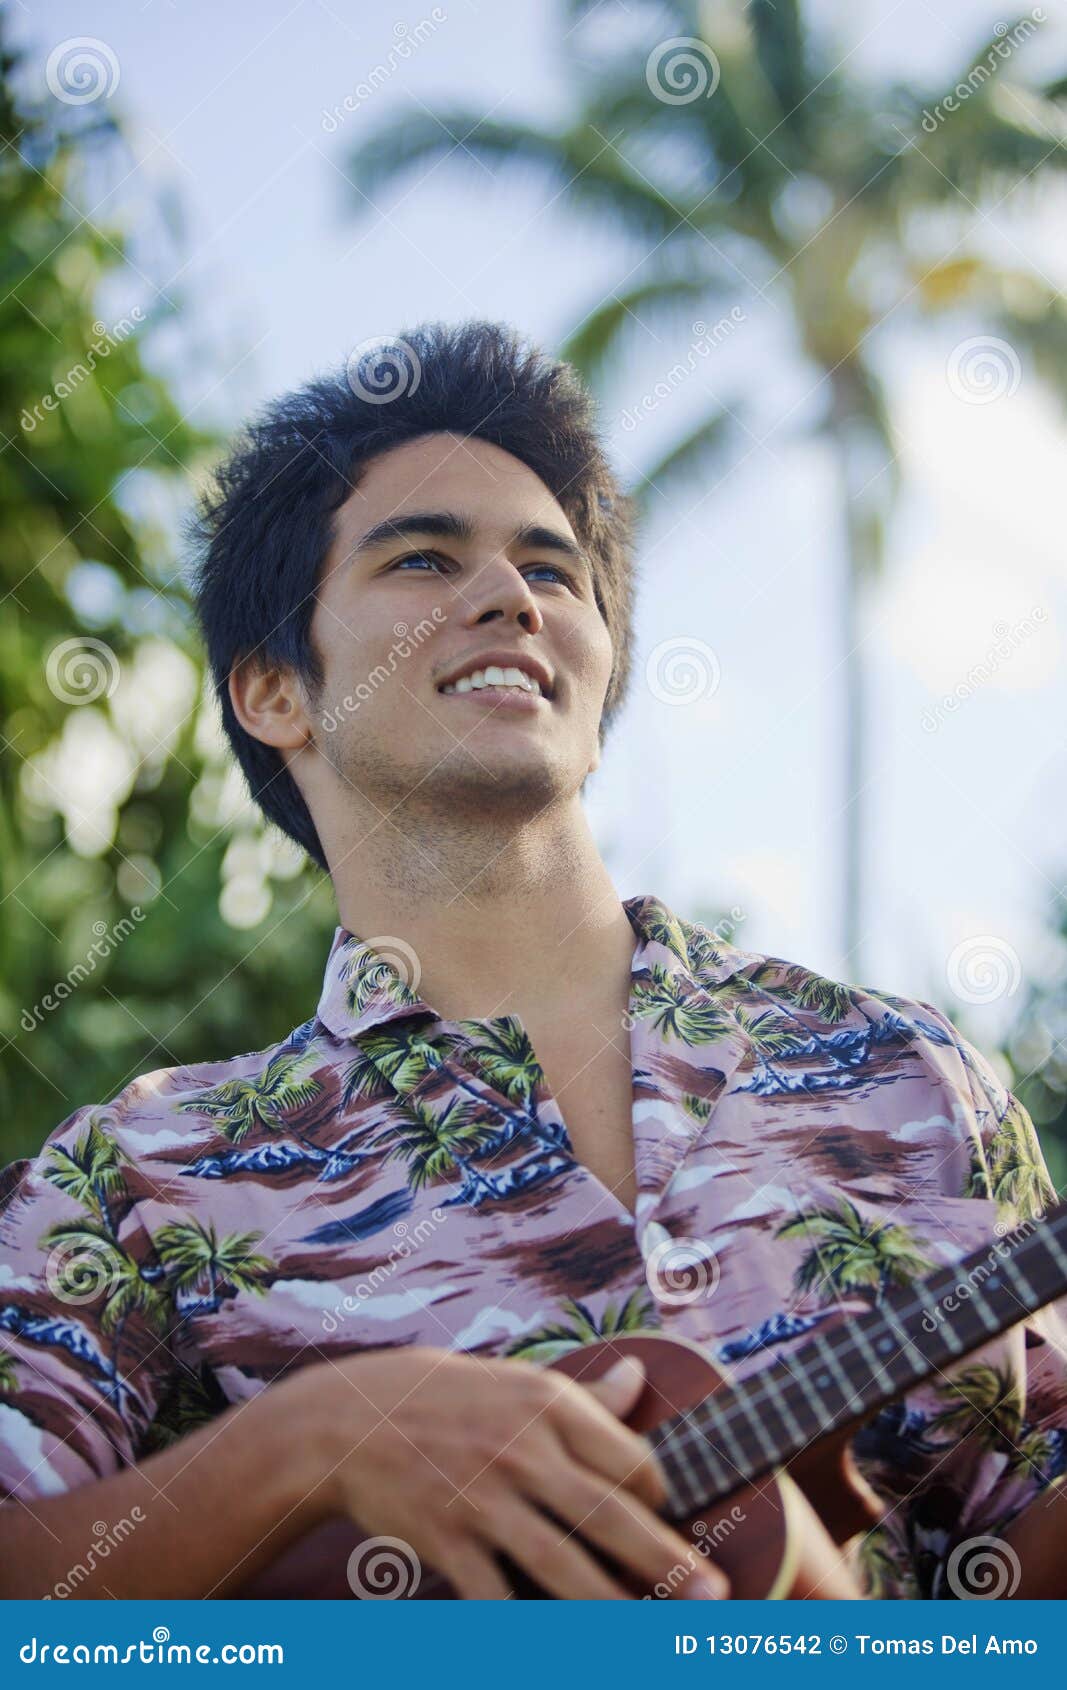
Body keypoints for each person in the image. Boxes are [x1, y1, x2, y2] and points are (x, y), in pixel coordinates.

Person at [1, 322, 1064, 1602]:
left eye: (552, 571)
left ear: (597, 684)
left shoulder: (909, 1075)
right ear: (276, 689)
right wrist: (311, 1445)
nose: (512, 595)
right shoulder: (140, 1175)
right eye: (422, 557)